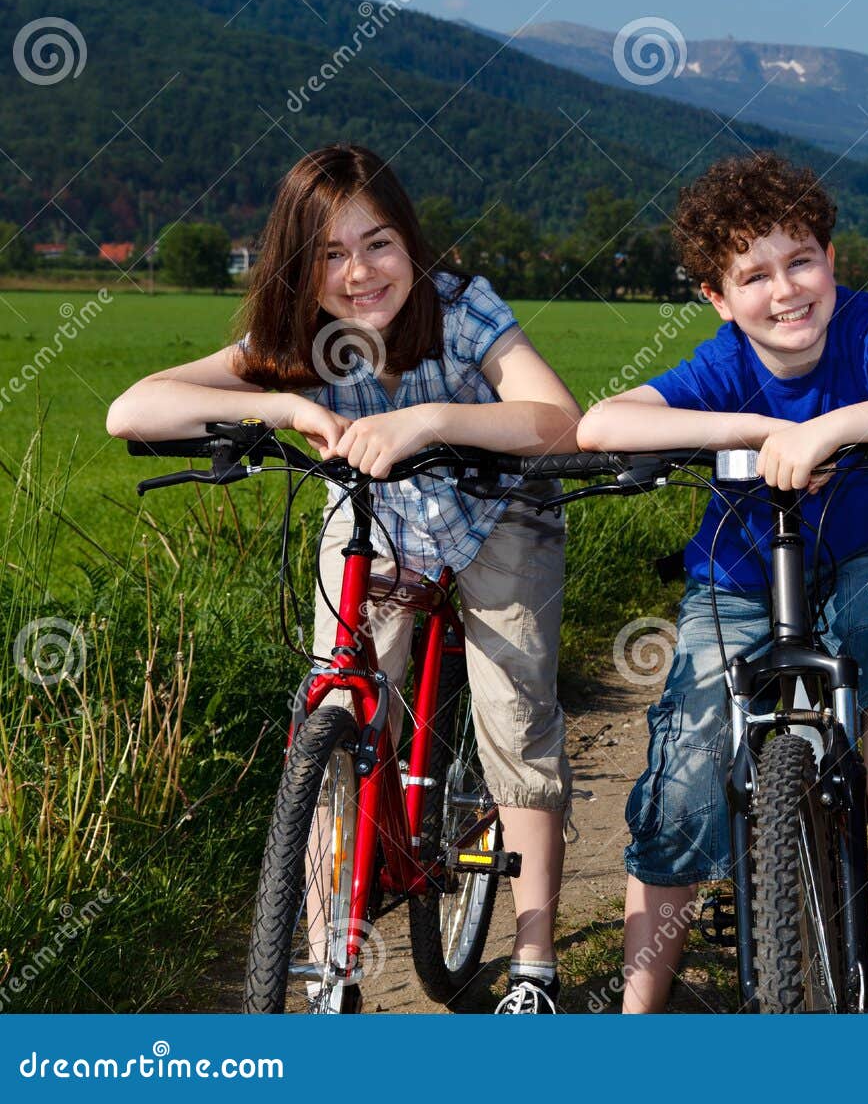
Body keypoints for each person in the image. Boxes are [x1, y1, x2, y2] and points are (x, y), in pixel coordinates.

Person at [106, 143, 582, 1014]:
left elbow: (562, 420)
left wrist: (430, 418)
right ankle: (333, 956)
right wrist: (280, 404)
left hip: (495, 506)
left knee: (514, 715)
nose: (359, 272)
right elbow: (129, 409)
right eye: (329, 253)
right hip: (378, 517)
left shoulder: (463, 310)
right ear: (299, 263)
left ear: (413, 244)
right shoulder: (298, 337)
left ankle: (534, 962)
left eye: (379, 243)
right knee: (339, 703)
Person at [577, 150, 868, 1012]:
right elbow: (600, 424)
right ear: (717, 298)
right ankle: (634, 1013)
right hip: (737, 576)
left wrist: (831, 431)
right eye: (753, 275)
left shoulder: (865, 330)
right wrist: (761, 425)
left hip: (867, 551)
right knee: (688, 759)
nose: (785, 290)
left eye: (801, 259)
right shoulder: (722, 365)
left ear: (832, 259)